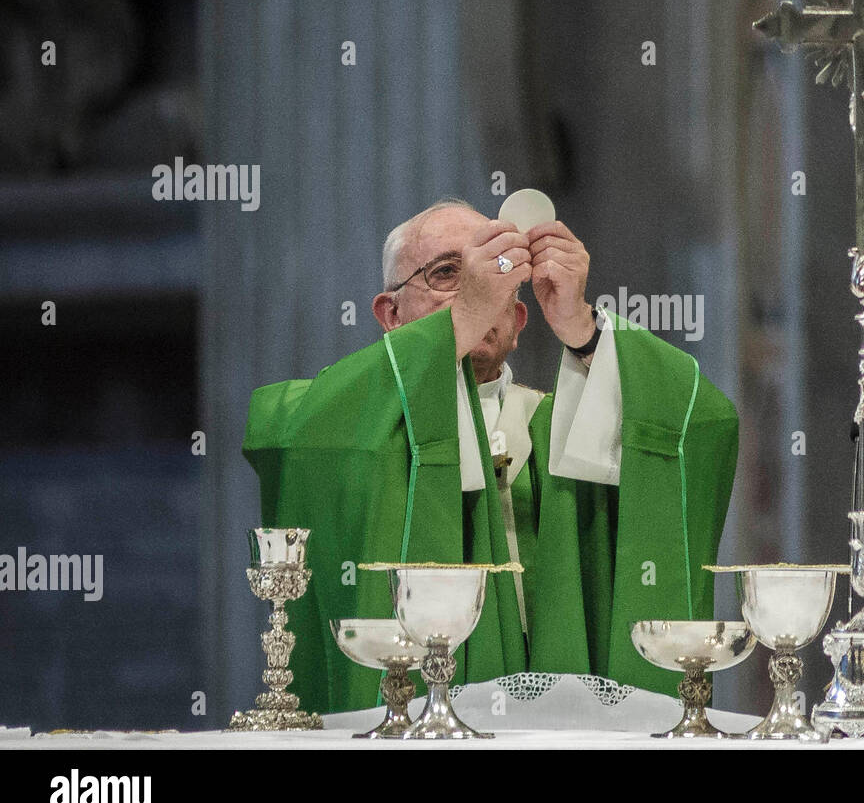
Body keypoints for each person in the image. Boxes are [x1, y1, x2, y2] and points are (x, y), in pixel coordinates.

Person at [242, 197, 739, 713]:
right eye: (448, 273)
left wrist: (585, 330)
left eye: (497, 278)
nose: (476, 293)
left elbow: (700, 425)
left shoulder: (573, 424)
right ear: (389, 313)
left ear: (519, 319)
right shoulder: (346, 410)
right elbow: (293, 433)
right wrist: (458, 323)